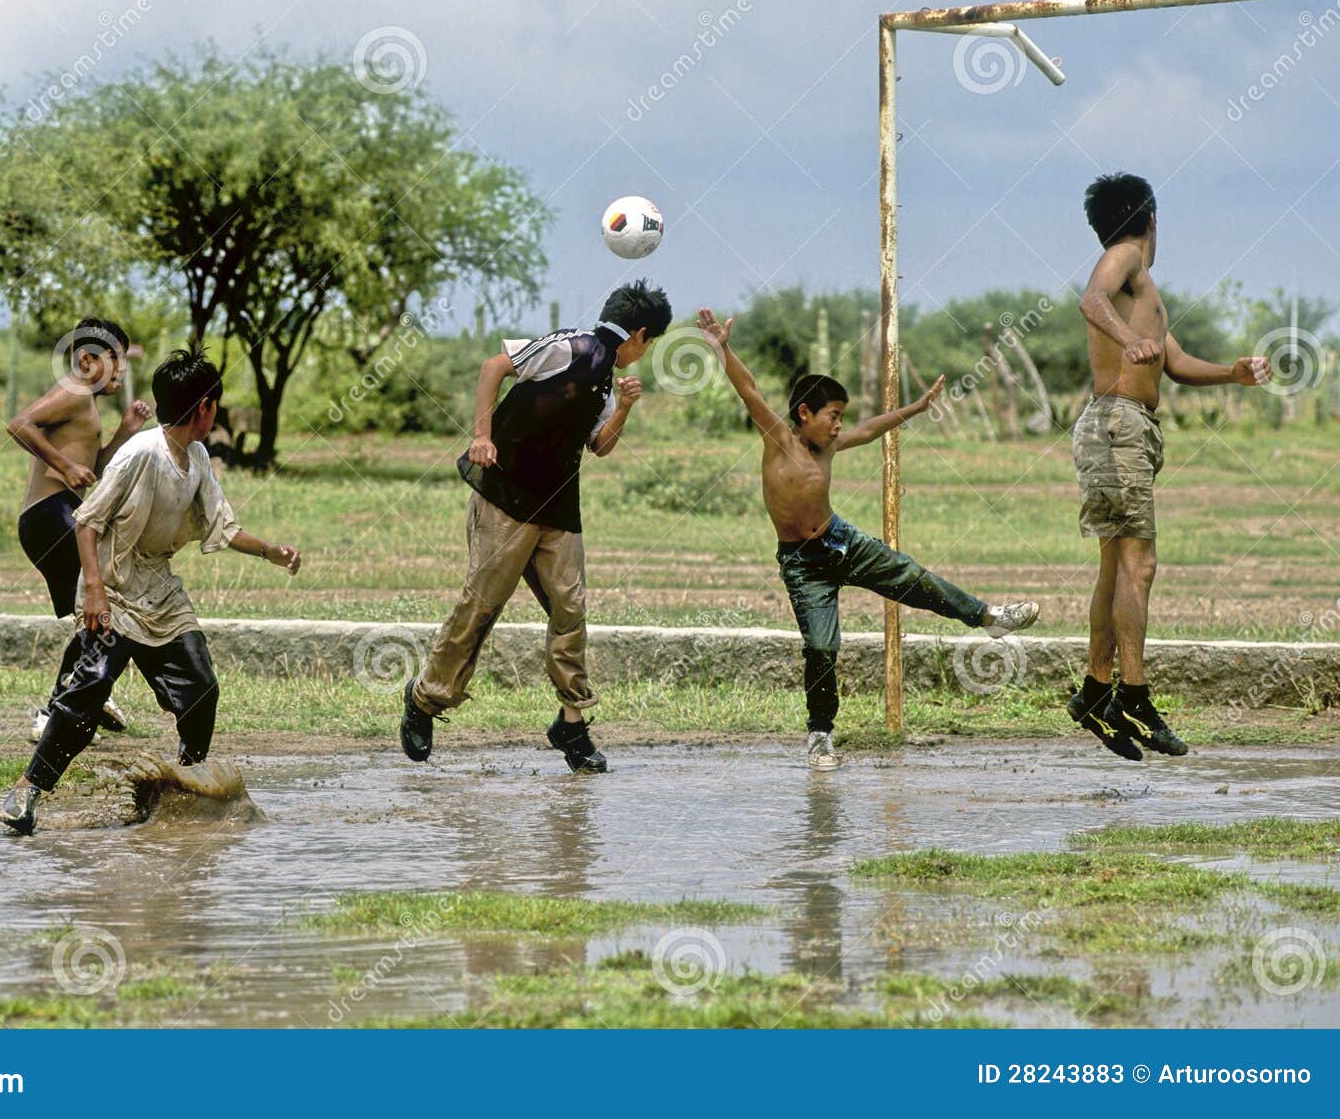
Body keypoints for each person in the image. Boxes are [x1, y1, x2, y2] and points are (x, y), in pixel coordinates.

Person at [697, 308, 1040, 771]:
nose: (839, 425)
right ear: (804, 413)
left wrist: (916, 409)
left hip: (843, 541)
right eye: (832, 416)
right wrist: (723, 348)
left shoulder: (831, 445)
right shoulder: (778, 439)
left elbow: (872, 428)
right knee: (822, 648)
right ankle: (820, 734)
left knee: (914, 577)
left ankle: (988, 616)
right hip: (803, 563)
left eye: (841, 417)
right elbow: (749, 390)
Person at [0, 350, 300, 834]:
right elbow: (87, 521)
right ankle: (27, 789)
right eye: (214, 404)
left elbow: (223, 525)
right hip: (113, 587)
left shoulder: (196, 457)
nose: (215, 412)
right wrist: (93, 591)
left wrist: (271, 551)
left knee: (201, 689)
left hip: (159, 589)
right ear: (203, 408)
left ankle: (184, 781)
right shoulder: (141, 452)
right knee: (88, 691)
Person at [398, 280, 671, 773]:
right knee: (482, 604)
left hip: (559, 506)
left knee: (571, 608)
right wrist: (481, 435)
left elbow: (600, 444)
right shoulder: (569, 345)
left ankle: (572, 722)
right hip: (506, 497)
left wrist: (625, 409)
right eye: (649, 345)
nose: (643, 354)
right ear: (641, 334)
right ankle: (424, 699)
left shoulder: (608, 382)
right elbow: (493, 367)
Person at [1068, 173, 1269, 761]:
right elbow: (1090, 300)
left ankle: (1094, 691)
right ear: (1152, 218)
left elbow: (1173, 360)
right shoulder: (1124, 256)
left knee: (1117, 565)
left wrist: (1231, 373)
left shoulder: (1144, 285)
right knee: (1140, 563)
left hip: (1126, 427)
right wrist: (1129, 336)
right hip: (1118, 424)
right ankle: (1132, 696)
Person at [8, 318, 152, 743]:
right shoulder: (72, 391)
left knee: (95, 605)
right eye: (114, 359)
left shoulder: (86, 402)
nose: (121, 369)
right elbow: (18, 424)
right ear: (87, 359)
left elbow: (96, 471)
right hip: (49, 513)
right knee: (99, 594)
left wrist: (126, 430)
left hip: (64, 512)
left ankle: (89, 687)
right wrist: (61, 464)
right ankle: (55, 708)